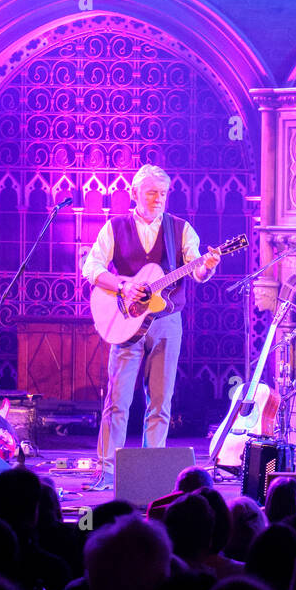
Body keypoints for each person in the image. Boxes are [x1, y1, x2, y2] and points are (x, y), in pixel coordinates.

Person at [81, 164, 221, 489]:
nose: (158, 199)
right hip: (125, 322)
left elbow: (196, 270)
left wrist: (208, 267)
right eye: (151, 193)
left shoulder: (180, 229)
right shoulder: (114, 227)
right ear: (134, 194)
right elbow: (92, 267)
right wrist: (122, 286)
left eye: (162, 193)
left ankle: (149, 473)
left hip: (167, 323)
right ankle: (106, 472)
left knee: (160, 402)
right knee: (117, 401)